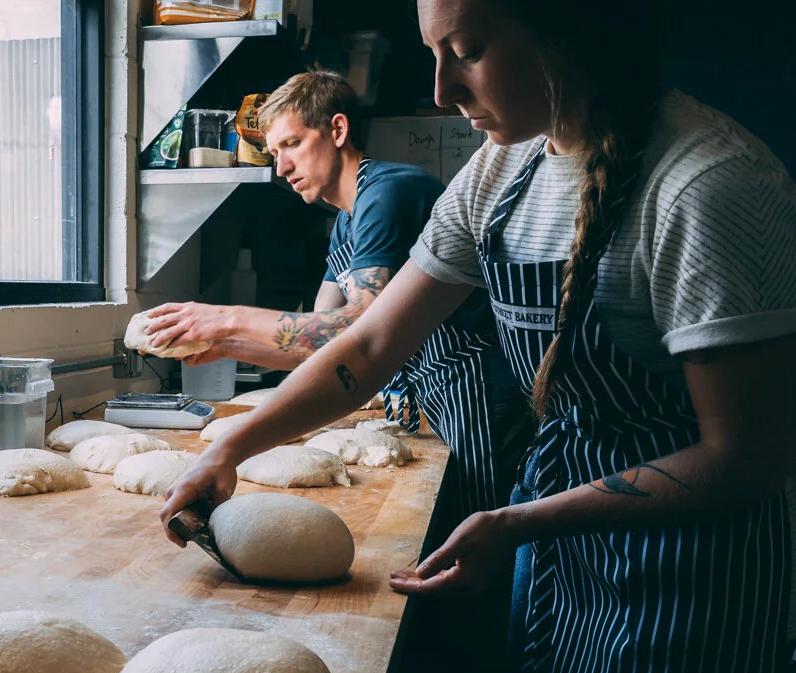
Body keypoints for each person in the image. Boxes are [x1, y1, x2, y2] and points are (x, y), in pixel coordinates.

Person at [159, 0, 796, 673]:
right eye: (434, 53)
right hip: (564, 558)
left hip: (696, 583)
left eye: (464, 52)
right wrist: (232, 446)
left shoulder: (708, 188)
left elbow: (741, 456)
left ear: (571, 29)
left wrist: (521, 521)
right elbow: (372, 343)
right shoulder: (504, 171)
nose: (439, 90)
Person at [142, 67, 531, 527]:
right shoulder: (347, 221)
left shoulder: (389, 192)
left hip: (483, 394)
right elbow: (321, 345)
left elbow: (358, 328)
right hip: (443, 396)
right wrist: (223, 346)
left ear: (338, 130)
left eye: (291, 144)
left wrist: (225, 319)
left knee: (487, 532)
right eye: (274, 153)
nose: (281, 167)